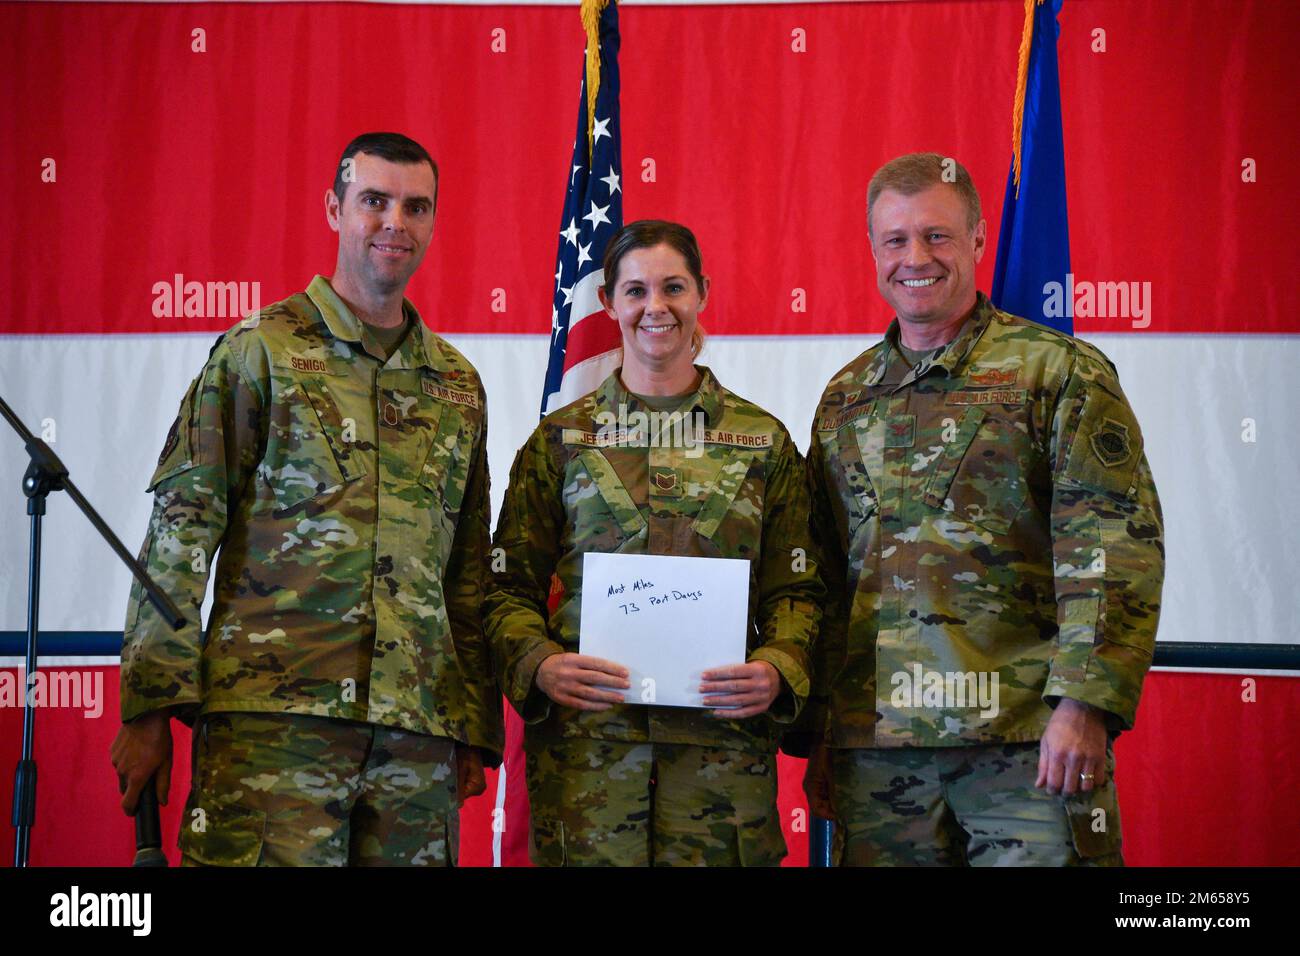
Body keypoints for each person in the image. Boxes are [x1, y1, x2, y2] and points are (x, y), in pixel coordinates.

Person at [109, 132, 502, 866]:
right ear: (334, 208)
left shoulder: (457, 383)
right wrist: (150, 701)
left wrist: (472, 725)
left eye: (416, 207)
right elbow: (182, 530)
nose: (396, 223)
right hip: (272, 726)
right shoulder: (260, 350)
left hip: (416, 735)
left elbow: (468, 572)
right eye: (374, 201)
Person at [795, 152, 1164, 866]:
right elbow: (823, 572)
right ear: (873, 251)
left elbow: (1113, 547)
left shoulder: (1056, 372)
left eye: (936, 235)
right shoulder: (847, 398)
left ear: (977, 240)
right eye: (895, 240)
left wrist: (1085, 704)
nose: (916, 258)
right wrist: (821, 731)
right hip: (880, 758)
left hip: (1027, 745)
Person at [484, 220, 822, 866]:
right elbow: (505, 589)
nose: (655, 308)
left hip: (720, 774)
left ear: (703, 294)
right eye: (635, 291)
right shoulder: (560, 443)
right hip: (589, 776)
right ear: (608, 302)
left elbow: (800, 589)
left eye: (674, 287)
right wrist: (539, 664)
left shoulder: (764, 443)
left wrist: (779, 665)